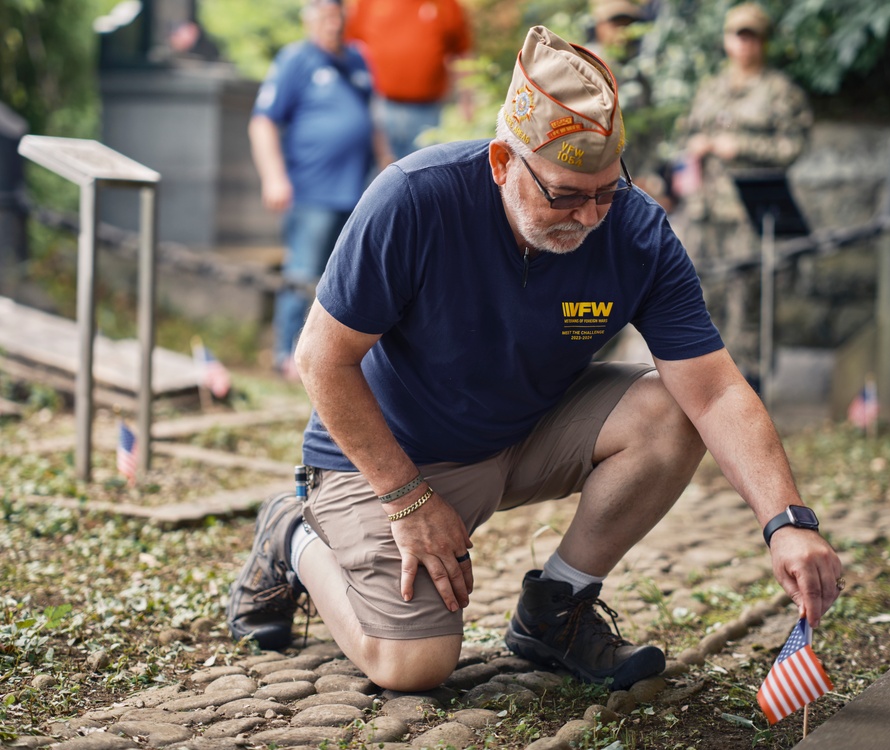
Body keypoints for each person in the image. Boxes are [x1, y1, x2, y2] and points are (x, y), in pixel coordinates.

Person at [227, 25, 842, 693]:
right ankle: (291, 533)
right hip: (386, 460)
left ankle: (557, 607)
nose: (591, 216)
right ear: (502, 161)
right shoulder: (415, 198)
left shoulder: (636, 231)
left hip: (521, 433)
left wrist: (787, 523)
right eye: (565, 195)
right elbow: (321, 359)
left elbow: (717, 392)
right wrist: (405, 498)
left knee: (673, 410)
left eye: (606, 191)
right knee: (415, 665)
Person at [248, 0, 391, 380]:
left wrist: (388, 165)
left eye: (337, 15)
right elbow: (262, 122)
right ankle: (287, 355)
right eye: (325, 16)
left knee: (347, 278)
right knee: (302, 272)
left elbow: (372, 121)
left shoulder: (358, 59)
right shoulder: (295, 60)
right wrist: (273, 176)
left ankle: (334, 358)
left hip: (357, 192)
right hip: (311, 191)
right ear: (308, 19)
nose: (332, 23)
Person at [673, 2, 813, 384]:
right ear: (726, 40)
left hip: (747, 213)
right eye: (738, 35)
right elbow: (687, 135)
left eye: (752, 37)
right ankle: (703, 383)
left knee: (748, 299)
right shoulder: (711, 88)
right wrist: (696, 146)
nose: (744, 44)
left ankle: (749, 383)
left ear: (763, 42)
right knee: (701, 295)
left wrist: (742, 147)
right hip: (705, 211)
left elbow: (793, 146)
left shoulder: (779, 91)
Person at [344, 0, 472, 159]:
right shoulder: (367, 4)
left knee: (425, 166)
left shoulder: (445, 4)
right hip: (380, 107)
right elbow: (348, 48)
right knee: (381, 169)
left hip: (427, 110)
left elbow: (461, 53)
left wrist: (466, 101)